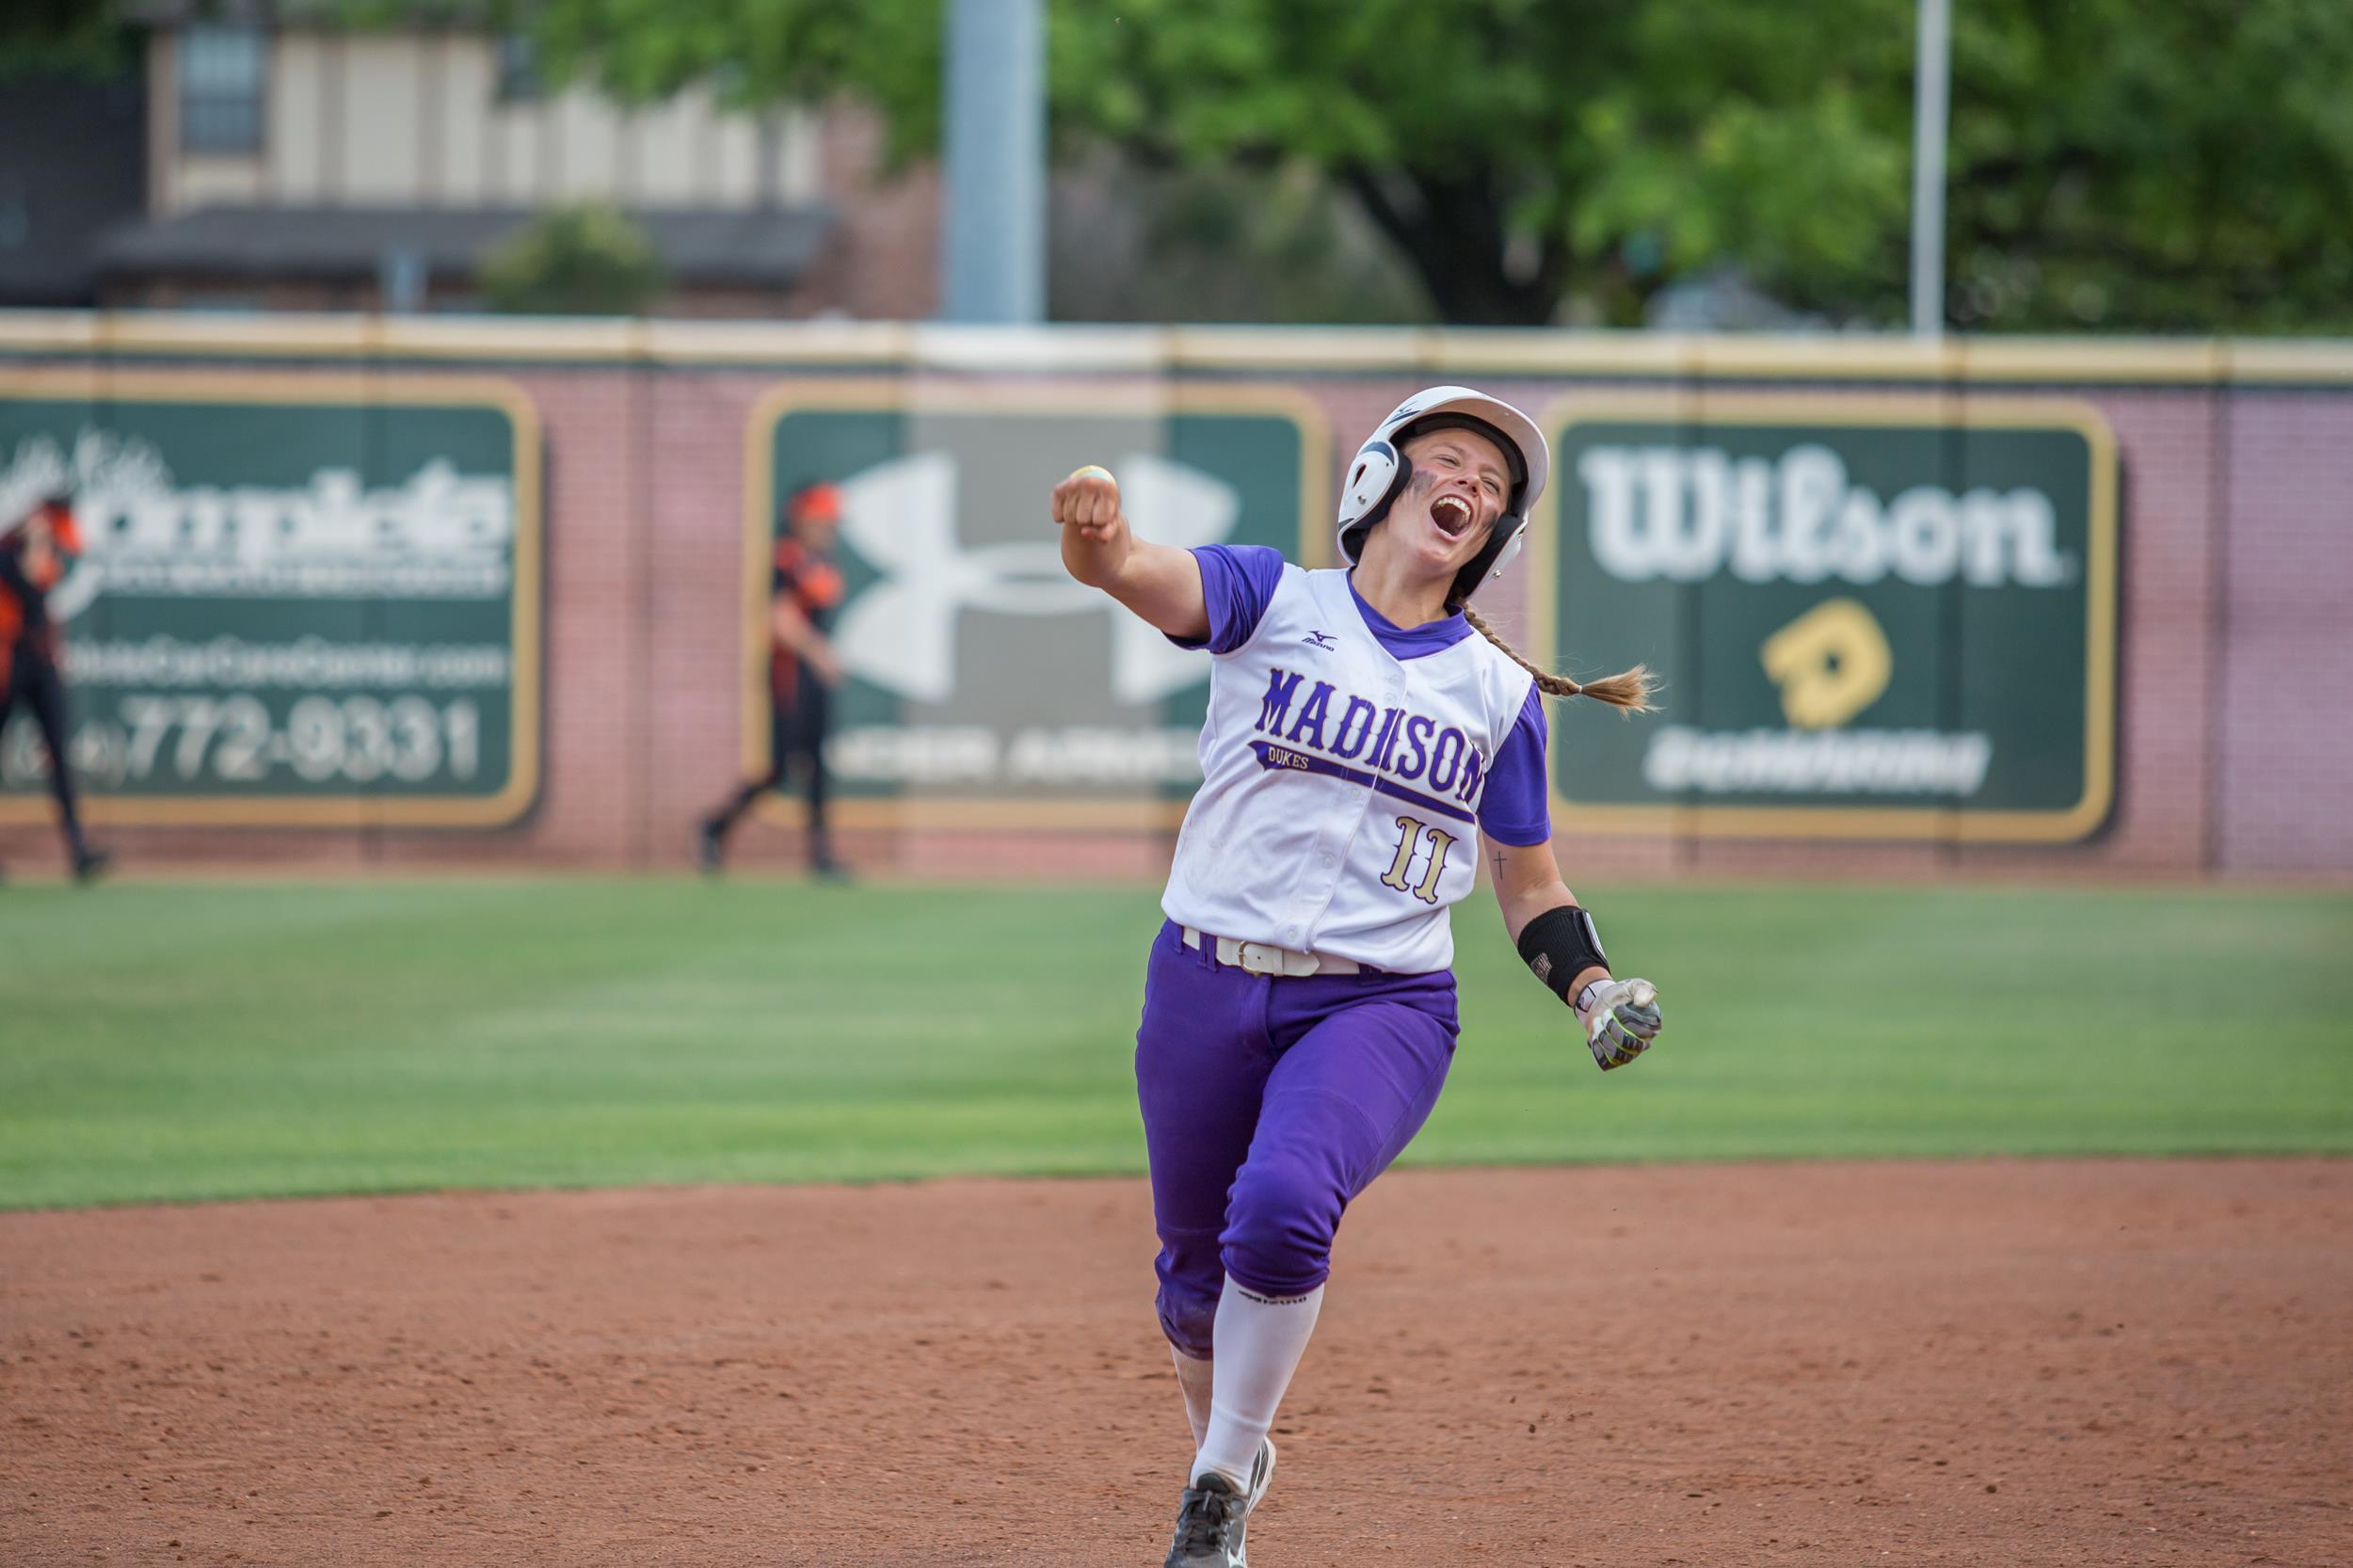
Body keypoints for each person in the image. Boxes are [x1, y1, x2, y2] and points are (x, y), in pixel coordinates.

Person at [1051, 389, 1665, 1568]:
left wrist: (1589, 986)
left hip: (1379, 1003)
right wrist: (1096, 539)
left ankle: (1217, 1494)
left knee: (1281, 1210)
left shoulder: (1496, 694)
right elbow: (1134, 568)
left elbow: (1528, 884)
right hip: (1201, 981)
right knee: (1192, 1282)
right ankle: (1225, 1444)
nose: (1471, 491)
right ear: (1383, 480)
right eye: (1450, 465)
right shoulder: (1271, 599)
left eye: (1491, 490)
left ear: (1492, 540)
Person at [698, 481, 851, 879]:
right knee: (781, 766)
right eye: (821, 520)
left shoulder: (823, 563)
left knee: (817, 763)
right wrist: (818, 654)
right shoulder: (786, 560)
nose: (828, 527)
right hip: (790, 674)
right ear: (801, 519)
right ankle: (716, 825)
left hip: (815, 678)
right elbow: (778, 618)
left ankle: (820, 855)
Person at [1, 491, 108, 884]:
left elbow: (48, 579)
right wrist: (30, 543)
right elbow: (28, 586)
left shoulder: (46, 547)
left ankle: (78, 849)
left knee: (59, 755)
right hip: (7, 665)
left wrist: (42, 543)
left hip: (40, 663)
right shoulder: (7, 552)